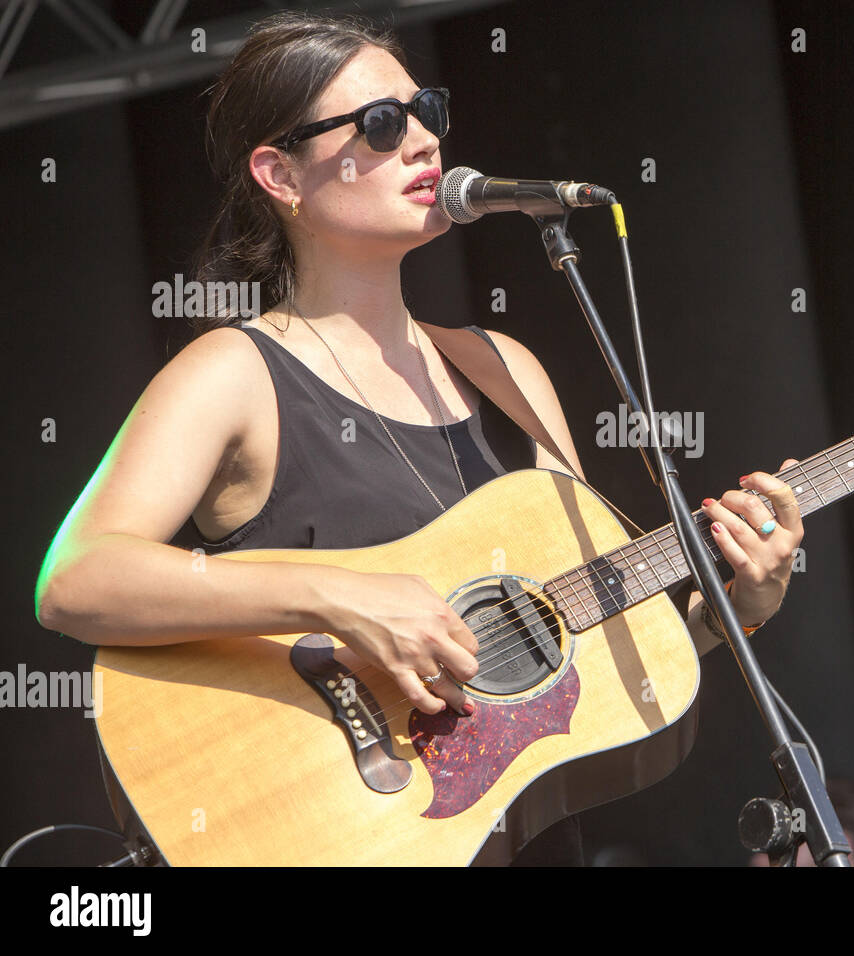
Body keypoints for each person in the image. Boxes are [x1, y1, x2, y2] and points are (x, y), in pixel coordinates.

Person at [33, 11, 804, 866]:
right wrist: (338, 600)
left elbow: (579, 647)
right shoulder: (234, 371)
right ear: (280, 174)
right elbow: (77, 578)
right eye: (381, 123)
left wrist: (727, 611)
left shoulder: (503, 369)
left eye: (425, 109)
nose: (425, 140)